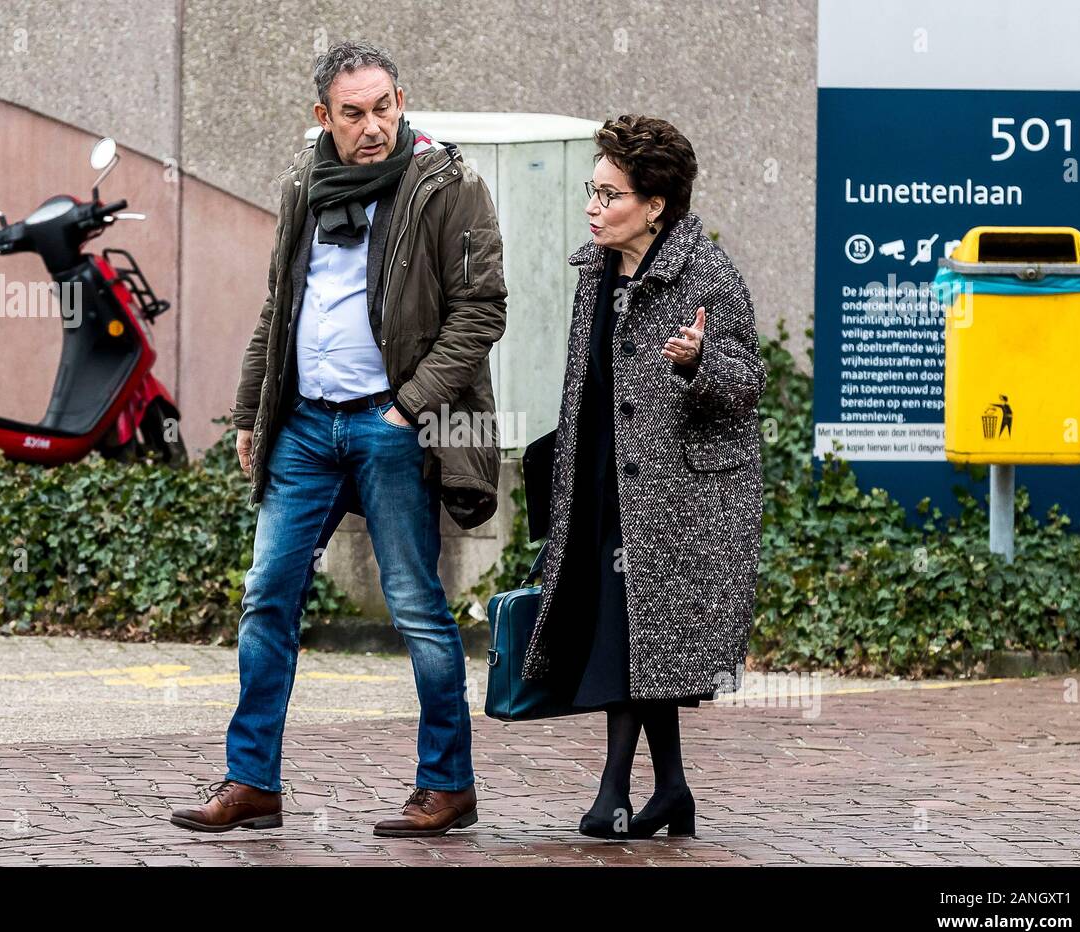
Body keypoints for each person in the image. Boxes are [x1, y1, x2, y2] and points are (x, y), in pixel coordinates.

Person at [169, 40, 507, 838]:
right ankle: (252, 782)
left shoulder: (447, 185)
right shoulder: (304, 185)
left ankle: (447, 783)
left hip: (389, 425)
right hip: (304, 426)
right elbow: (277, 306)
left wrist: (409, 408)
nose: (372, 126)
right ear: (323, 116)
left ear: (401, 98)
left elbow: (481, 309)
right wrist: (252, 411)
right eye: (353, 112)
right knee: (266, 599)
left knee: (418, 609)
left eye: (384, 106)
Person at [520, 114, 766, 840]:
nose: (594, 209)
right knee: (636, 638)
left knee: (632, 634)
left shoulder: (708, 274)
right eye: (590, 194)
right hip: (602, 483)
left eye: (609, 196)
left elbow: (749, 383)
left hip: (678, 499)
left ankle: (613, 795)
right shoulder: (593, 272)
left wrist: (696, 363)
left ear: (654, 203)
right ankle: (674, 792)